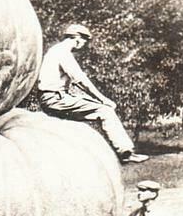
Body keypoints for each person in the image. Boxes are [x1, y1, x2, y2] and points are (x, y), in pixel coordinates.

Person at [39, 24, 148, 163]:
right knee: (105, 111)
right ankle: (125, 152)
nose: (83, 45)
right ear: (77, 38)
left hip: (52, 97)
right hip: (55, 98)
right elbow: (81, 80)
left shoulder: (54, 51)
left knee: (83, 120)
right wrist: (103, 99)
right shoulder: (63, 52)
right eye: (84, 41)